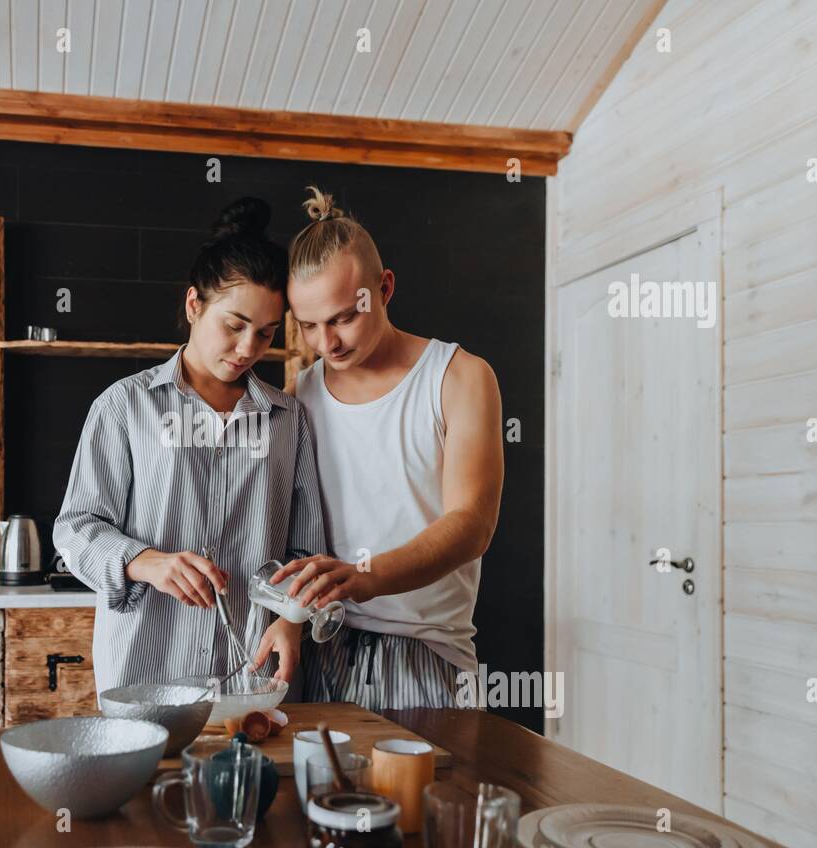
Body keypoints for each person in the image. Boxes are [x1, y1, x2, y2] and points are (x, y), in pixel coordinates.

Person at [53, 197, 328, 694]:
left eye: (266, 334)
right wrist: (146, 561)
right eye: (234, 325)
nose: (248, 349)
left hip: (251, 673)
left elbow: (305, 551)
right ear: (193, 305)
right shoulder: (125, 407)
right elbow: (75, 531)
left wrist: (292, 620)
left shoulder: (288, 421)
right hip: (146, 674)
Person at [278, 186, 504, 710]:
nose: (326, 343)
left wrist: (364, 577)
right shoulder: (300, 396)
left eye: (341, 318)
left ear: (384, 288)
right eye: (308, 325)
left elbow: (472, 523)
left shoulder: (459, 377)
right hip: (321, 648)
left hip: (425, 655)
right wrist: (287, 618)